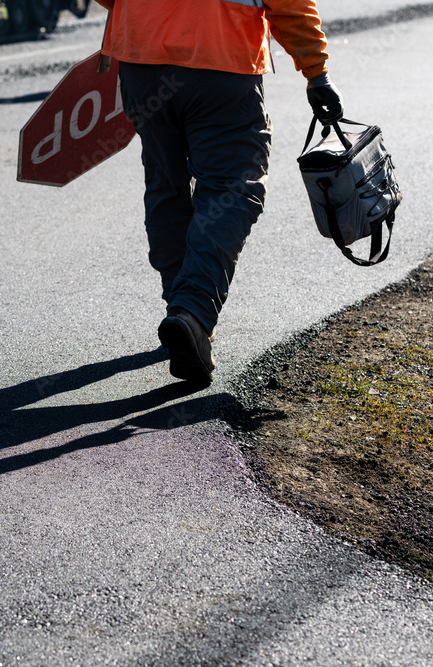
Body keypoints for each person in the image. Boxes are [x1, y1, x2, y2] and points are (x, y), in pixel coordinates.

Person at [94, 0, 343, 385]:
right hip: (220, 63)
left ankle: (181, 311)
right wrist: (316, 71)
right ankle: (190, 312)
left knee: (166, 185)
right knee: (233, 187)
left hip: (142, 64)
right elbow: (289, 3)